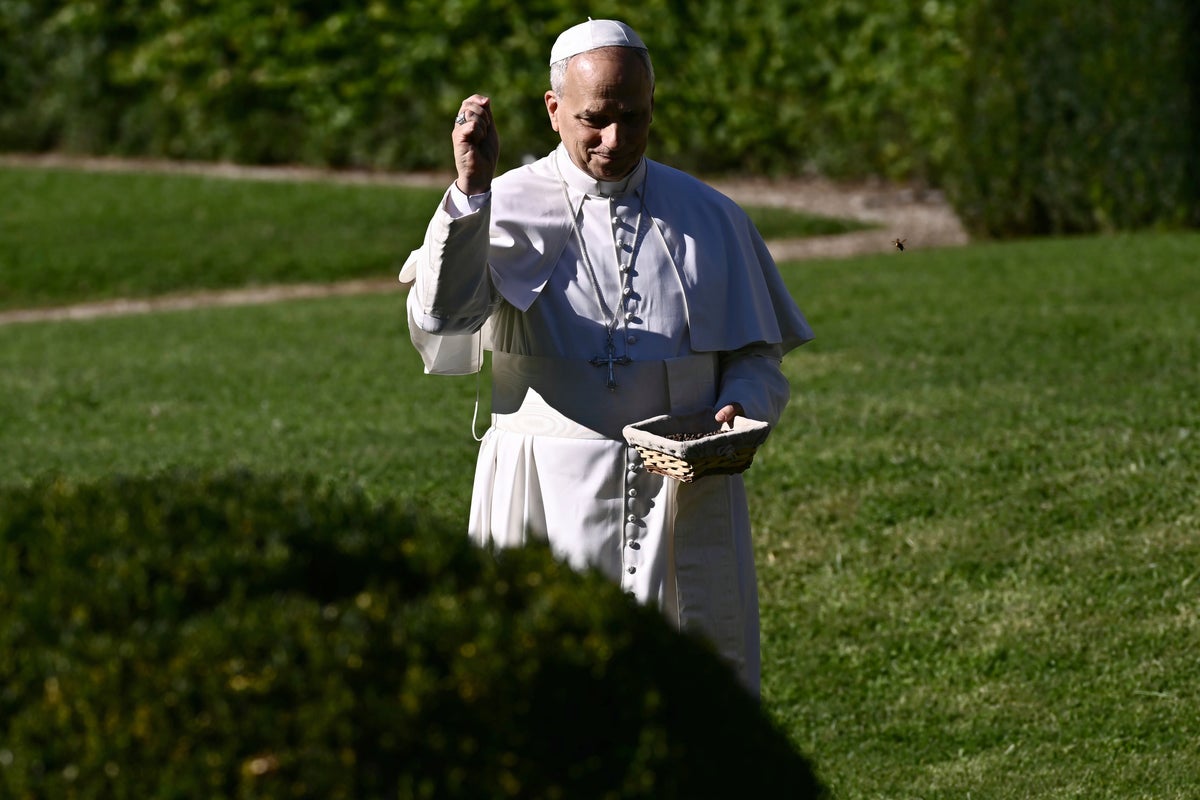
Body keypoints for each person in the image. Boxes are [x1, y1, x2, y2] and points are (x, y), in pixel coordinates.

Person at [400, 18, 813, 694]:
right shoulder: (501, 207)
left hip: (683, 494)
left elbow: (757, 355)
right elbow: (444, 319)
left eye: (634, 117)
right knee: (546, 685)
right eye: (595, 119)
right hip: (543, 489)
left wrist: (742, 406)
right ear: (553, 108)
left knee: (686, 689)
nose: (615, 140)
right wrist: (471, 192)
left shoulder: (710, 215)